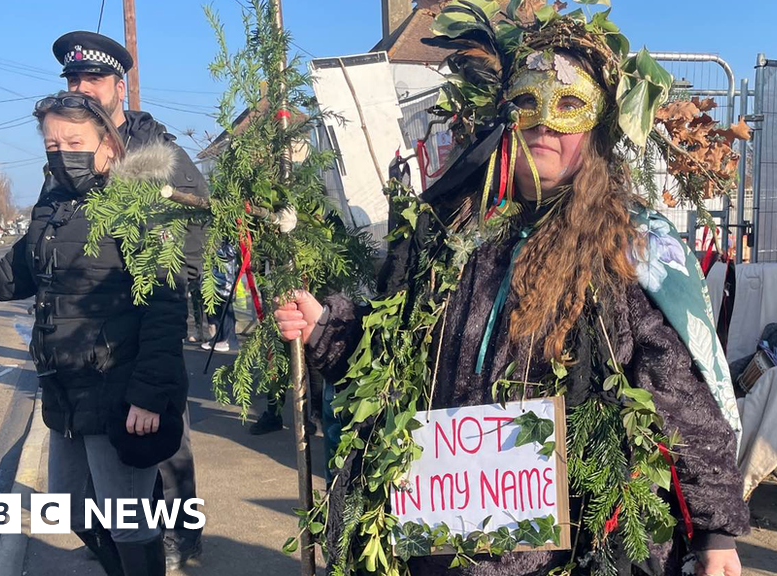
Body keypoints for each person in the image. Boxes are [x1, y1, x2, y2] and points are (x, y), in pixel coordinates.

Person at [274, 5, 748, 576]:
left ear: (597, 130)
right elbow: (391, 351)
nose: (544, 124)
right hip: (440, 533)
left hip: (556, 552)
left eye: (568, 106)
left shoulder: (627, 250)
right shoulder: (452, 232)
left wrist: (716, 533)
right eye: (527, 103)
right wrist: (325, 326)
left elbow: (679, 394)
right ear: (504, 118)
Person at [0, 93, 186, 576]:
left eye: (74, 142)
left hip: (118, 392)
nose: (61, 154)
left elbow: (165, 307)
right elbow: (3, 278)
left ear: (107, 145)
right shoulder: (51, 209)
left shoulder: (139, 205)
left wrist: (147, 396)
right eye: (52, 145)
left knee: (129, 523)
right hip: (65, 391)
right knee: (71, 509)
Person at [51, 31, 205, 568]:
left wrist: (159, 318)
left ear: (120, 87)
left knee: (167, 451)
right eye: (73, 79)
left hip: (146, 337)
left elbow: (184, 258)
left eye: (92, 79)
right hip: (91, 355)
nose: (81, 88)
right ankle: (125, 545)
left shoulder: (159, 157)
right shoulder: (70, 156)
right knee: (101, 484)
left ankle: (181, 536)